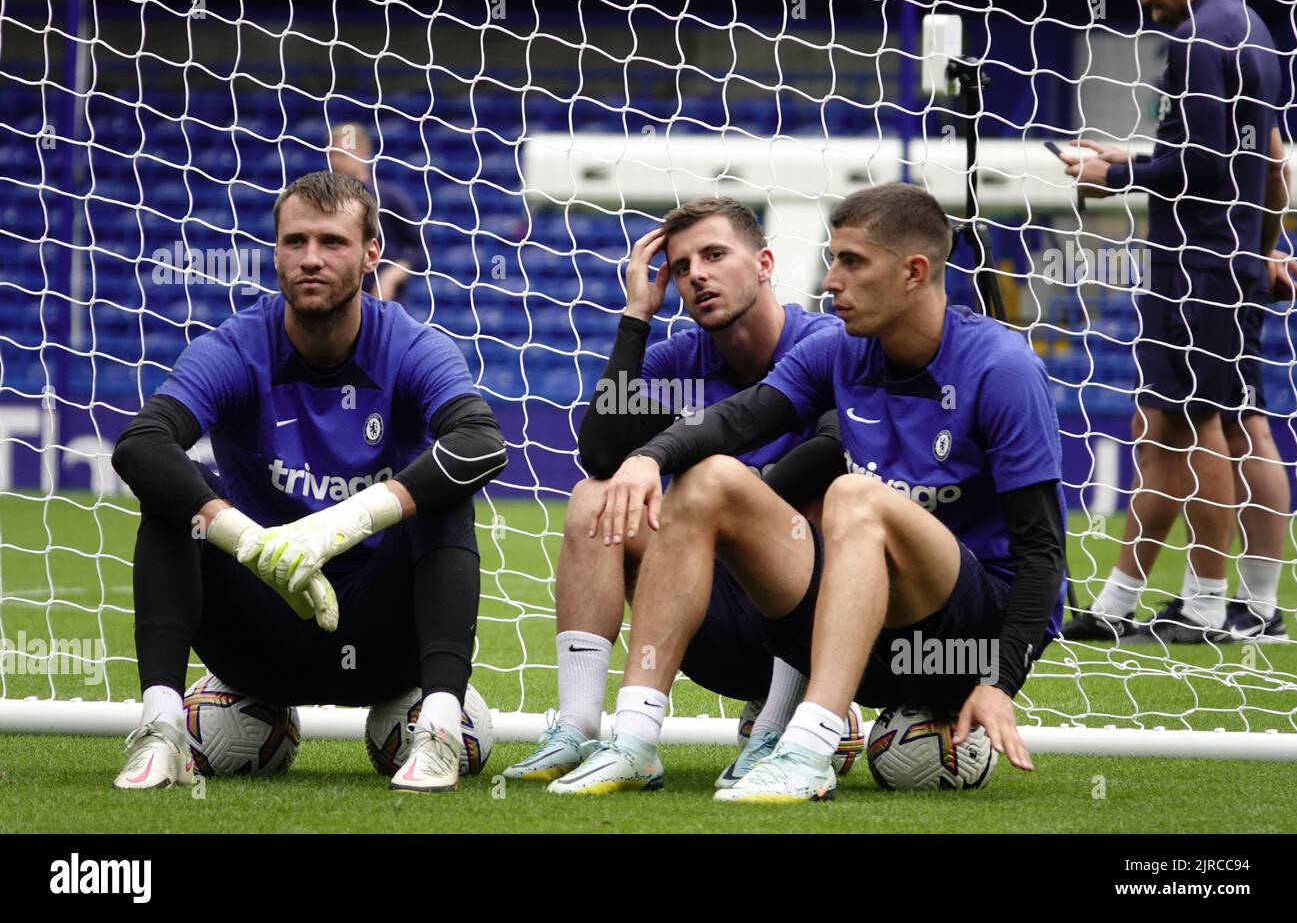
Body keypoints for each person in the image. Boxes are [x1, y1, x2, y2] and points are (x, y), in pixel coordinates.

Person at [552, 183, 1066, 802]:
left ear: (914, 272)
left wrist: (998, 681)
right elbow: (738, 419)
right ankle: (632, 739)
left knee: (850, 494)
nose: (829, 281)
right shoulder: (839, 350)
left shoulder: (1002, 368)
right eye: (832, 259)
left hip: (961, 648)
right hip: (867, 650)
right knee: (709, 476)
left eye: (851, 262)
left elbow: (1043, 555)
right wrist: (647, 457)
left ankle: (804, 748)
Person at [110, 172, 507, 793]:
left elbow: (482, 443)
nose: (311, 259)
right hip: (260, 632)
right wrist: (249, 543)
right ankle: (161, 729)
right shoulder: (240, 345)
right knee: (174, 489)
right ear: (275, 253)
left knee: (444, 492)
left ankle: (437, 726)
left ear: (371, 254)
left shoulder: (407, 344)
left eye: (333, 242)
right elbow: (141, 443)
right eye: (295, 242)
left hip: (384, 637)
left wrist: (339, 526)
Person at [500, 197, 843, 791]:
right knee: (592, 497)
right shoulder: (678, 363)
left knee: (829, 496)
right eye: (681, 267)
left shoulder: (826, 343)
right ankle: (581, 728)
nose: (697, 275)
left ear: (764, 263)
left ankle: (780, 724)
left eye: (714, 255)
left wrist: (733, 499)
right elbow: (601, 456)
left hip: (806, 620)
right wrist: (637, 316)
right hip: (700, 614)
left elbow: (841, 448)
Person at [1058, 0, 1293, 643]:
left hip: (1194, 266)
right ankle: (1246, 605)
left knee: (1197, 428)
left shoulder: (1195, 38)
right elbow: (1272, 163)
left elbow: (1205, 164)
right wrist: (1264, 248)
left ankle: (1205, 604)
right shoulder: (1254, 27)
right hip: (1235, 258)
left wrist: (1116, 173)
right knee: (1227, 424)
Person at [328, 122, 426, 301]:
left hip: (384, 303)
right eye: (331, 154)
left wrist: (391, 277)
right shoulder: (325, 198)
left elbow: (421, 249)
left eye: (341, 153)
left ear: (364, 154)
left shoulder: (390, 197)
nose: (334, 160)